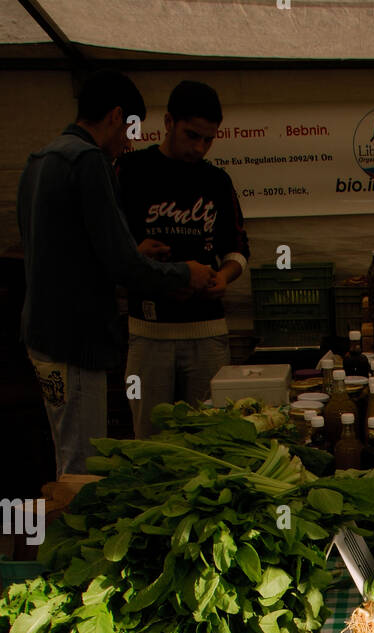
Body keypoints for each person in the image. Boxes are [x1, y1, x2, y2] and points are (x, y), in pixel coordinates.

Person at [17, 70, 214, 477]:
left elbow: (53, 248)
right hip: (76, 338)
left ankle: (62, 527)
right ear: (117, 115)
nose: (127, 143)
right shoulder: (89, 161)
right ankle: (75, 537)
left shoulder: (42, 159)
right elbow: (123, 264)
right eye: (130, 130)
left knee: (66, 450)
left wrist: (125, 253)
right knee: (84, 464)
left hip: (42, 337)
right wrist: (184, 274)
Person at [117, 81, 251, 437]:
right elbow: (107, 246)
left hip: (207, 335)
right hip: (147, 334)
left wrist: (225, 276)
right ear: (169, 122)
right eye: (192, 135)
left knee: (210, 437)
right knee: (148, 437)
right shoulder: (129, 171)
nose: (199, 147)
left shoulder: (217, 181)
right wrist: (136, 254)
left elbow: (238, 248)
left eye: (208, 139)